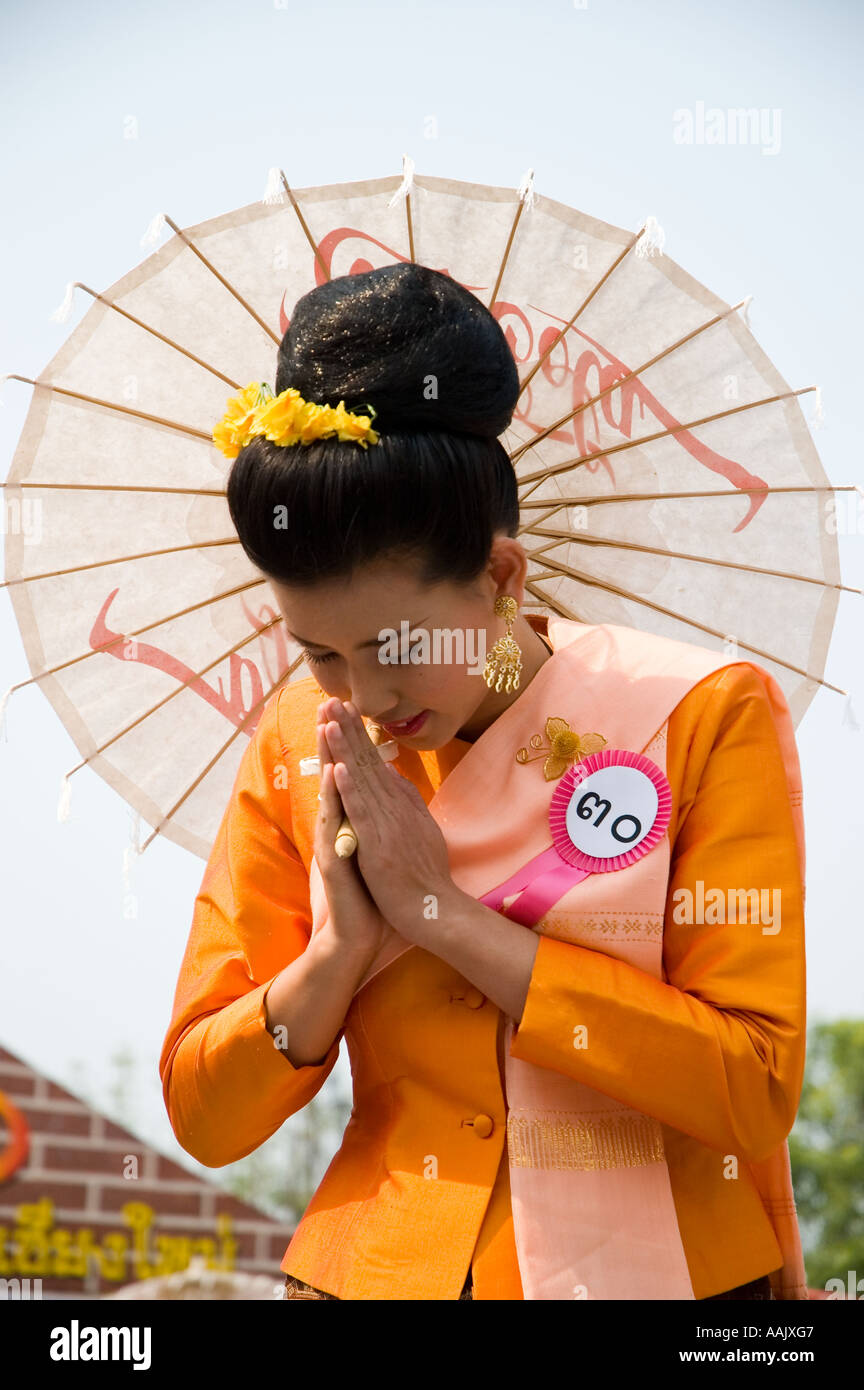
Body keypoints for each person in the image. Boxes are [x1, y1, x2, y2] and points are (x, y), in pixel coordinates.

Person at [159, 262, 808, 1301]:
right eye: (319, 651)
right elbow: (204, 1115)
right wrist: (338, 952)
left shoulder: (697, 716)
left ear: (503, 578)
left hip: (676, 1283)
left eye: (392, 644)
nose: (364, 693)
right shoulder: (299, 742)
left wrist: (445, 916)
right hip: (373, 1276)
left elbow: (754, 1087)